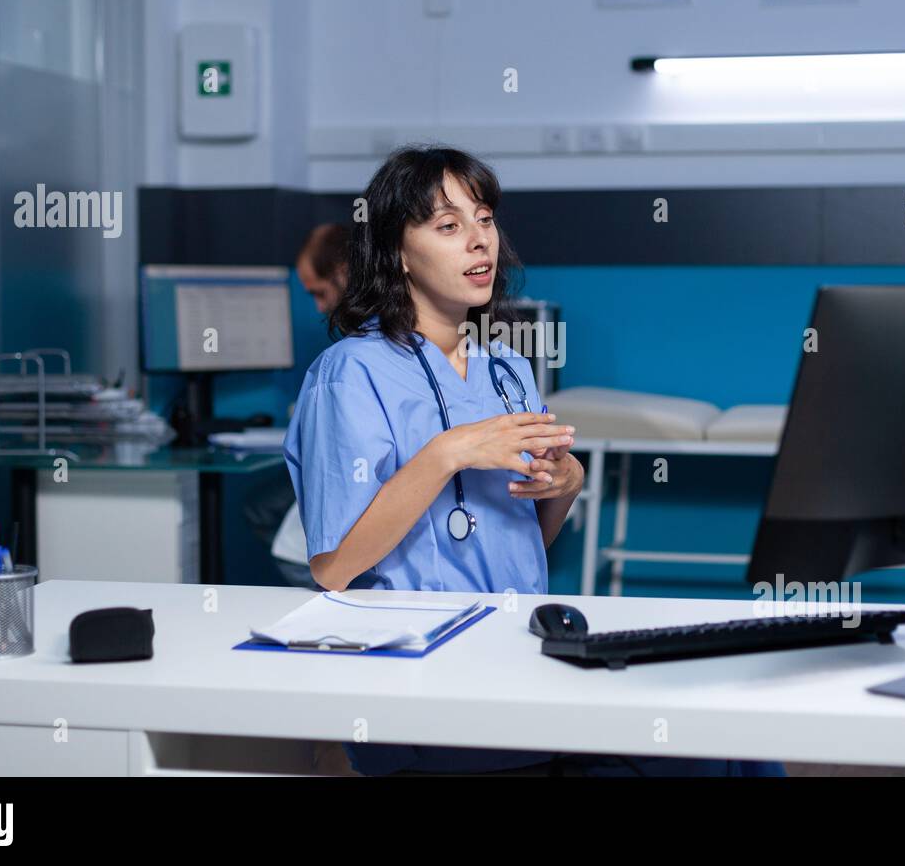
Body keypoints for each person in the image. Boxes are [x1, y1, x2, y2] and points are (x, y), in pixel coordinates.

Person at [285, 144, 785, 777]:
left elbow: (524, 539)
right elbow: (334, 566)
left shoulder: (508, 371)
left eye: (485, 219)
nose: (478, 241)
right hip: (419, 678)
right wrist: (448, 453)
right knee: (706, 761)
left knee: (733, 742)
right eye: (448, 225)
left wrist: (564, 486)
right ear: (397, 254)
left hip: (519, 656)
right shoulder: (350, 374)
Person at [244, 223, 350, 589]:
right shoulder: (343, 361)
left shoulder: (354, 359)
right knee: (261, 507)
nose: (321, 307)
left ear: (343, 274)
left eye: (321, 293)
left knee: (280, 532)